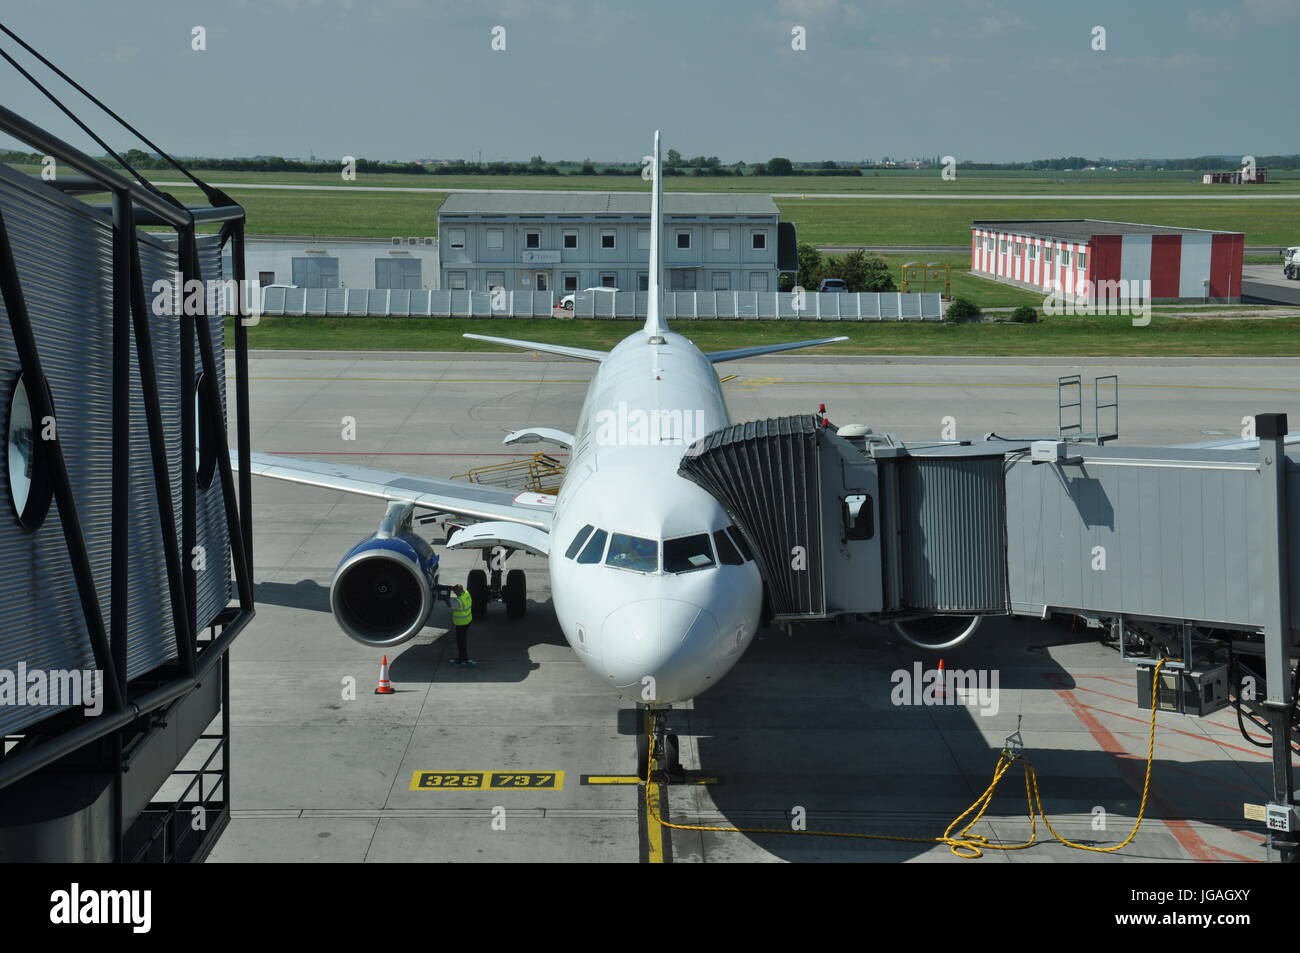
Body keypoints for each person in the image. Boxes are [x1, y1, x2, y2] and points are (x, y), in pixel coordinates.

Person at [448, 583, 475, 667]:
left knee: (461, 642)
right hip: (468, 620)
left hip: (461, 623)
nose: (454, 593)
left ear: (458, 592)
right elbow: (458, 589)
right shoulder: (466, 593)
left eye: (455, 592)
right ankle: (463, 658)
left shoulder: (458, 601)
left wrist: (445, 599)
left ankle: (462, 660)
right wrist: (451, 588)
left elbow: (450, 606)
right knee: (463, 640)